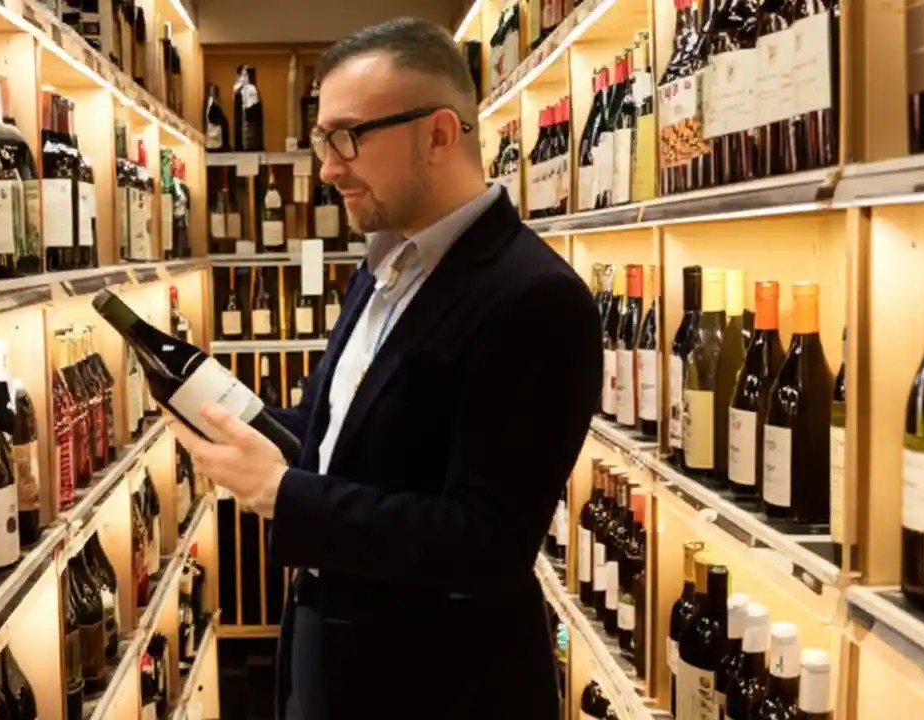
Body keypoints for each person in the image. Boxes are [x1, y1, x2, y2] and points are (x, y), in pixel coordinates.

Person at [170, 16, 601, 720]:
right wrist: (227, 416)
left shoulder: (535, 298)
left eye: (347, 137)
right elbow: (335, 427)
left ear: (437, 134)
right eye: (320, 141)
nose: (327, 167)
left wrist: (285, 494)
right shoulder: (385, 266)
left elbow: (485, 541)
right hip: (333, 662)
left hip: (437, 688)